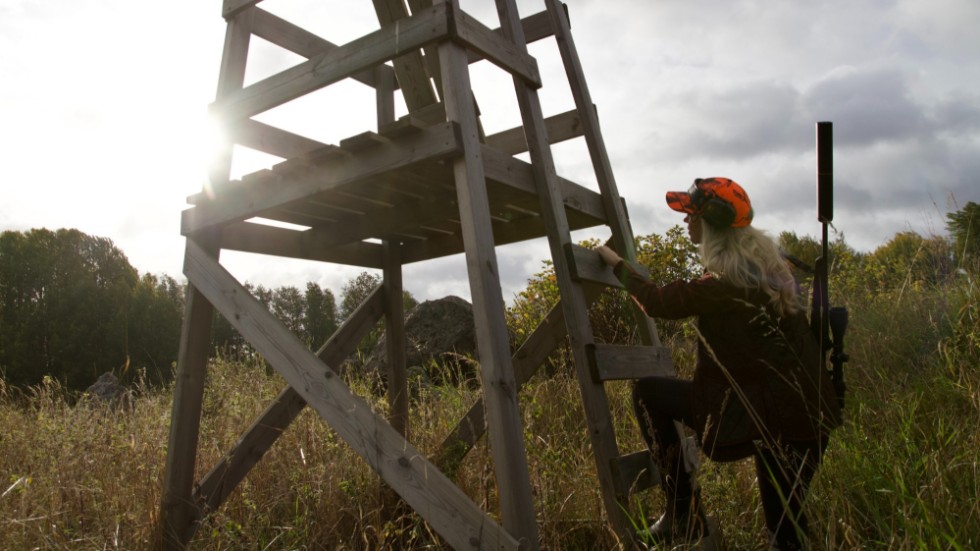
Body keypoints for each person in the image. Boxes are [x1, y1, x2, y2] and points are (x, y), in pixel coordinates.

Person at [596, 177, 842, 551]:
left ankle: (683, 514)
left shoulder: (729, 283)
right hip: (800, 414)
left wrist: (615, 262)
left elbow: (661, 303)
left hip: (780, 418)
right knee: (786, 532)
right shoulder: (769, 270)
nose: (685, 222)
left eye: (691, 215)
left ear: (711, 224)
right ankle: (683, 514)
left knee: (648, 393)